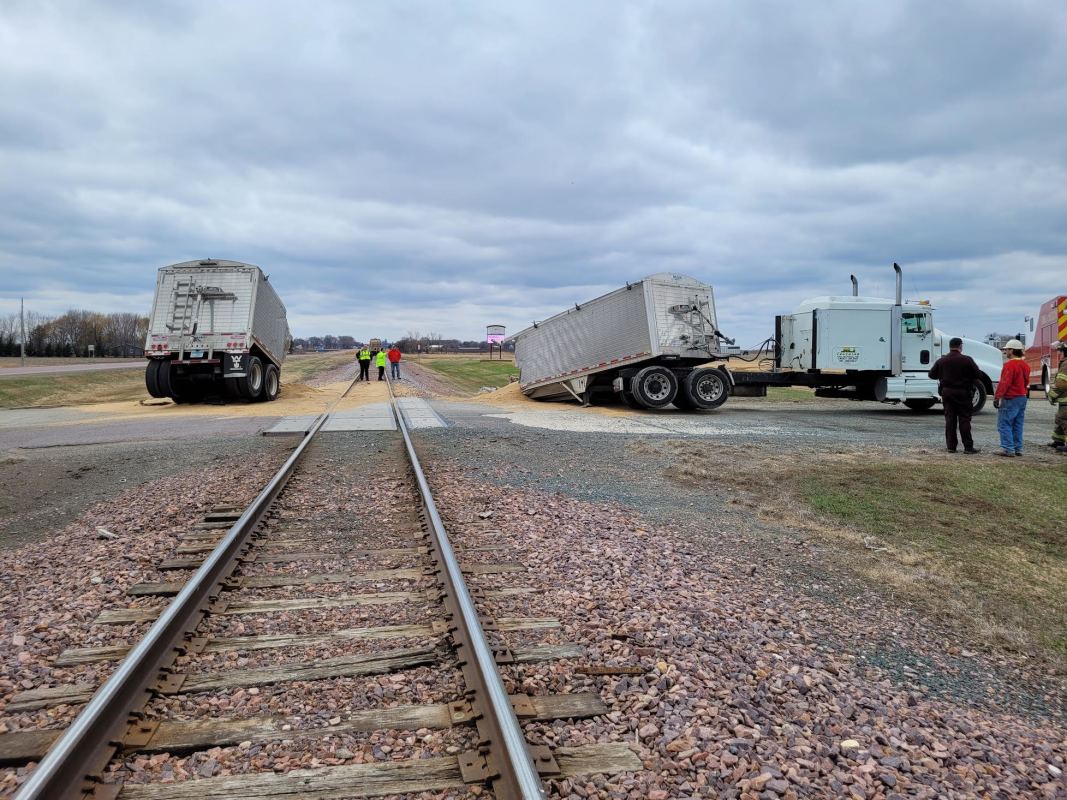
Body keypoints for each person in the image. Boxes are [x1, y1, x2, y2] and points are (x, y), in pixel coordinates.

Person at [928, 337, 981, 454]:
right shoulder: (967, 360)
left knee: (950, 420)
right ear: (960, 346)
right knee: (964, 419)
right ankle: (968, 447)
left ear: (950, 346)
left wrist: (943, 376)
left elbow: (931, 375)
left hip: (947, 392)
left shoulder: (942, 361)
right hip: (963, 393)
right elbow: (978, 374)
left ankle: (951, 447)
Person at [993, 339, 1029, 457]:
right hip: (1022, 397)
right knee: (1018, 424)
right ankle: (1017, 448)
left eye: (1007, 349)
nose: (1005, 352)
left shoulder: (1009, 365)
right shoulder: (1025, 365)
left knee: (1004, 423)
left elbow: (1004, 383)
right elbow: (1026, 382)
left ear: (1012, 350)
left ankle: (1008, 448)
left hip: (1011, 398)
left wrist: (997, 397)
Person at [1048, 341, 1067, 453]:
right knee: (1060, 418)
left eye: (1060, 351)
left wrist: (1052, 395)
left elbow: (1061, 384)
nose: (1059, 353)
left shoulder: (1066, 364)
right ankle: (1058, 441)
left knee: (1063, 419)